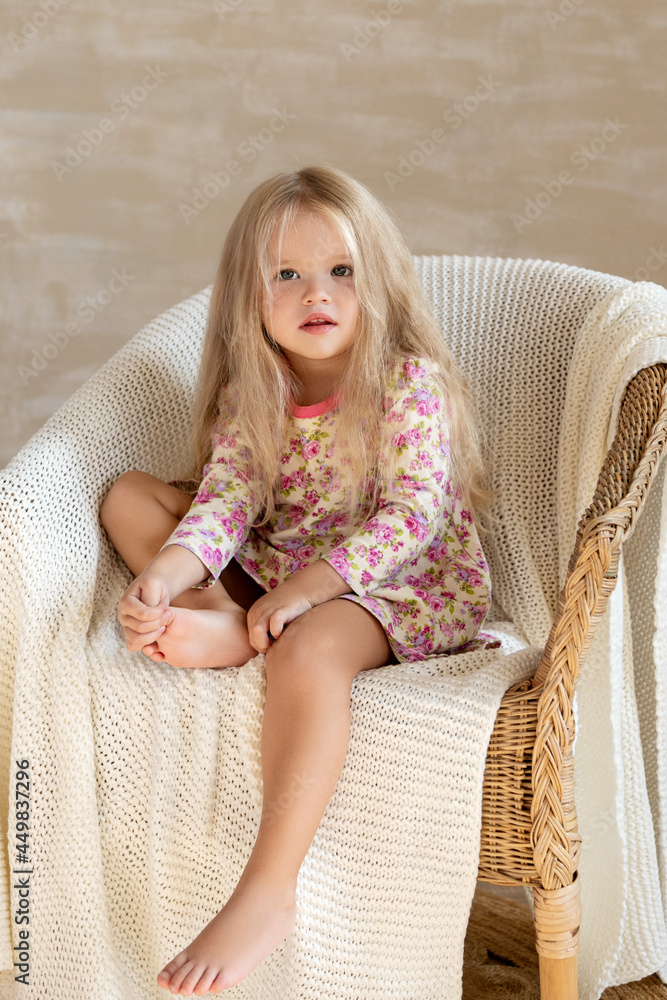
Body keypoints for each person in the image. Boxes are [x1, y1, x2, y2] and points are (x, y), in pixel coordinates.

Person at [99, 164, 498, 997]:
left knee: (309, 652)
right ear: (253, 298)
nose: (315, 292)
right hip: (283, 561)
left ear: (375, 282)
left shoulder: (406, 385)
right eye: (287, 274)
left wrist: (311, 590)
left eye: (339, 271)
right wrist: (167, 581)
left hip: (397, 582)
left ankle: (267, 890)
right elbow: (223, 505)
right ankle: (215, 620)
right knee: (131, 499)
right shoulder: (257, 394)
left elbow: (411, 519)